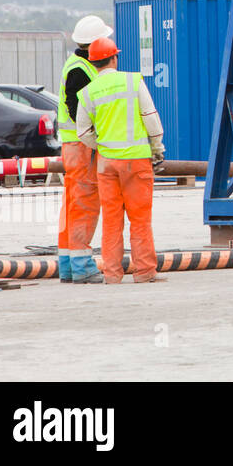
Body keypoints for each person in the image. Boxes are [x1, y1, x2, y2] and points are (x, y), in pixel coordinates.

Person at [76, 37, 165, 284]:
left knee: (112, 221)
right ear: (115, 58)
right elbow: (151, 119)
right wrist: (157, 148)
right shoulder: (132, 81)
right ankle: (145, 272)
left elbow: (83, 132)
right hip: (136, 161)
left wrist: (103, 147)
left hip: (106, 164)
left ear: (93, 63)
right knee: (140, 220)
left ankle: (113, 274)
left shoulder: (87, 92)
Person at [56, 15, 112, 284]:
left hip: (72, 144)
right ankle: (82, 266)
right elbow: (76, 108)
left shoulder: (76, 65)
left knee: (72, 204)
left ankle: (68, 264)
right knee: (85, 204)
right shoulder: (81, 69)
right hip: (81, 146)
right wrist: (94, 136)